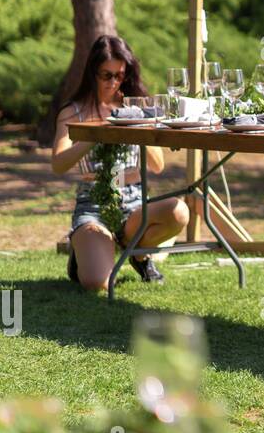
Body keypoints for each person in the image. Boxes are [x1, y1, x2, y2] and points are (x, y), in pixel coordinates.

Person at [51, 35, 188, 290]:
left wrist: (140, 124)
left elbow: (157, 166)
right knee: (96, 283)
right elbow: (58, 164)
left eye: (120, 75)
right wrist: (94, 136)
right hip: (94, 202)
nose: (114, 82)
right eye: (107, 75)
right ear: (92, 73)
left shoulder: (133, 106)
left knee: (179, 212)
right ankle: (81, 255)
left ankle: (137, 254)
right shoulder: (73, 111)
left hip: (134, 200)